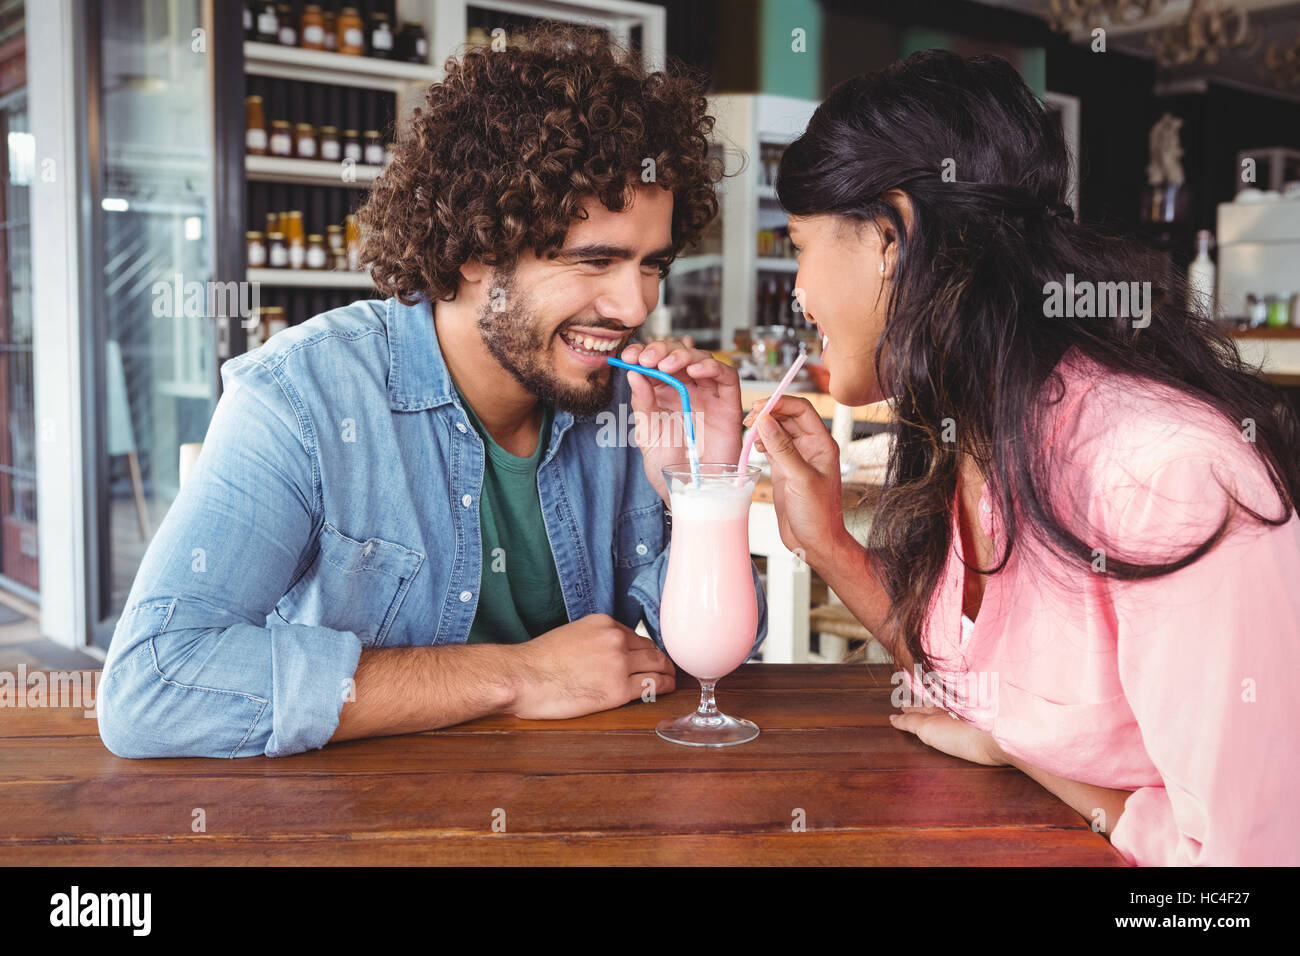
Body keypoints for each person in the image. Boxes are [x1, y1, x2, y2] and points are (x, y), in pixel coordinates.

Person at [97, 24, 767, 759]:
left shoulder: (630, 408)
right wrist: (516, 676)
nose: (635, 306)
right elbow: (152, 686)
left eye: (650, 265)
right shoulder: (300, 399)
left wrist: (697, 486)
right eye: (596, 261)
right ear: (480, 247)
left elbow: (711, 656)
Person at [749, 49, 1300, 865]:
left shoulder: (1164, 477)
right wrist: (825, 541)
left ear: (892, 237)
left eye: (799, 245)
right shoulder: (972, 427)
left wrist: (1029, 763)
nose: (796, 290)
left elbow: (1242, 866)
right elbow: (973, 683)